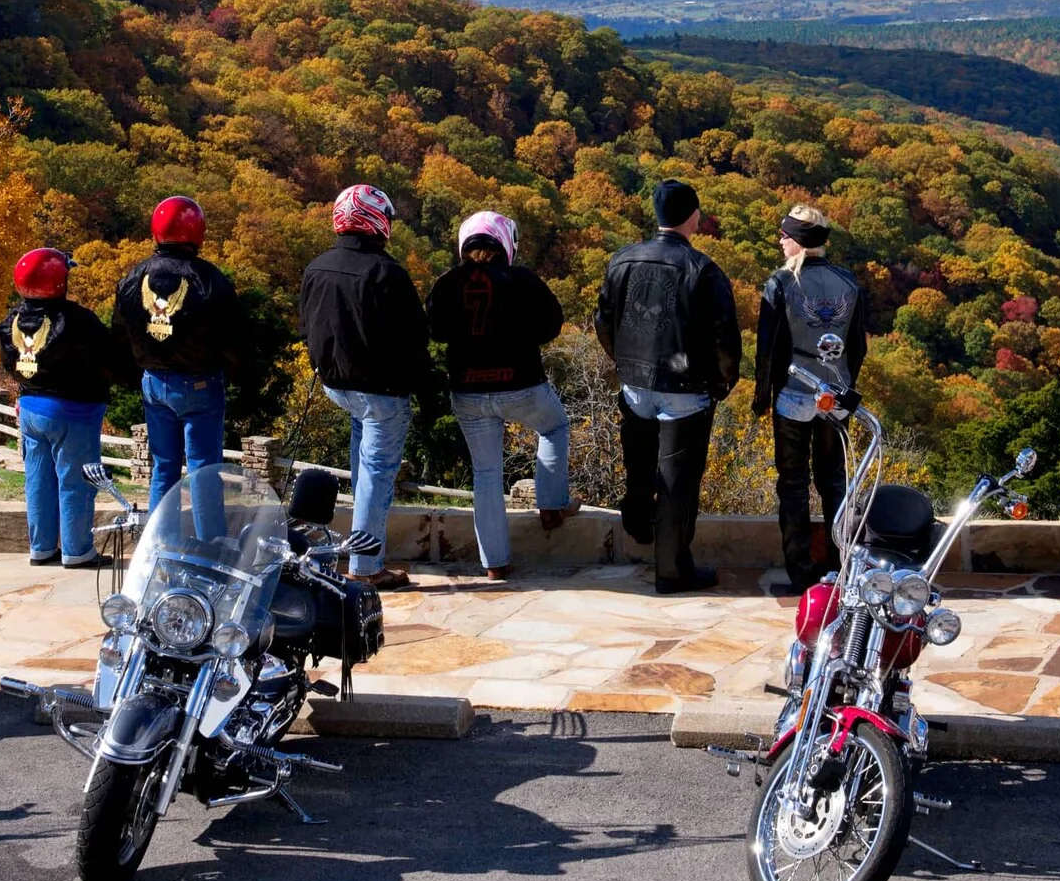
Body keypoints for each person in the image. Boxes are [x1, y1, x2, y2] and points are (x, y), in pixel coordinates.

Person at [596, 179, 742, 595]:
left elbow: (604, 320)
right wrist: (723, 381)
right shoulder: (703, 270)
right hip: (684, 388)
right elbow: (724, 339)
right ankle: (672, 571)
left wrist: (621, 362)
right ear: (693, 217)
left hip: (635, 382)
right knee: (678, 480)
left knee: (639, 462)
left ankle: (638, 523)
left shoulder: (622, 260)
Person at [425, 210, 580, 581]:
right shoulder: (522, 279)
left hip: (467, 389)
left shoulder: (446, 283)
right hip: (521, 383)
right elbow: (551, 324)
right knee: (554, 427)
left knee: (486, 473)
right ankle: (551, 506)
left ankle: (495, 564)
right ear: (504, 243)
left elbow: (435, 330)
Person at [300, 184, 431, 589]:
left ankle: (360, 554)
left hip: (338, 387)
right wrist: (425, 388)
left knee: (363, 467)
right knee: (375, 475)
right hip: (381, 391)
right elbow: (416, 338)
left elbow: (307, 324)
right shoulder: (387, 273)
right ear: (377, 221)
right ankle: (366, 565)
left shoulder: (316, 267)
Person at [751, 203, 868, 593]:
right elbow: (858, 346)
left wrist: (761, 395)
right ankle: (841, 567)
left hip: (794, 392)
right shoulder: (848, 282)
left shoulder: (781, 283)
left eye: (784, 235)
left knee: (793, 483)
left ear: (798, 241)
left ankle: (800, 572)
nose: (780, 241)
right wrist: (846, 385)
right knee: (834, 481)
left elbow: (767, 347)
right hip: (835, 393)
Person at [112, 196, 247, 511]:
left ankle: (161, 544)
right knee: (203, 472)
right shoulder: (209, 279)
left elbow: (120, 333)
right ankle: (208, 545)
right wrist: (239, 375)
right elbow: (235, 337)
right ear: (197, 231)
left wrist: (132, 374)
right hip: (200, 382)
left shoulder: (134, 278)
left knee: (163, 467)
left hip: (154, 381)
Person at [0, 247, 133, 568]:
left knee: (38, 481)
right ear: (58, 281)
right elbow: (109, 358)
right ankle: (77, 551)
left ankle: (41, 548)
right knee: (76, 482)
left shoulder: (10, 323)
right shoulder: (76, 320)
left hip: (31, 408)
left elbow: (11, 364)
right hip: (72, 411)